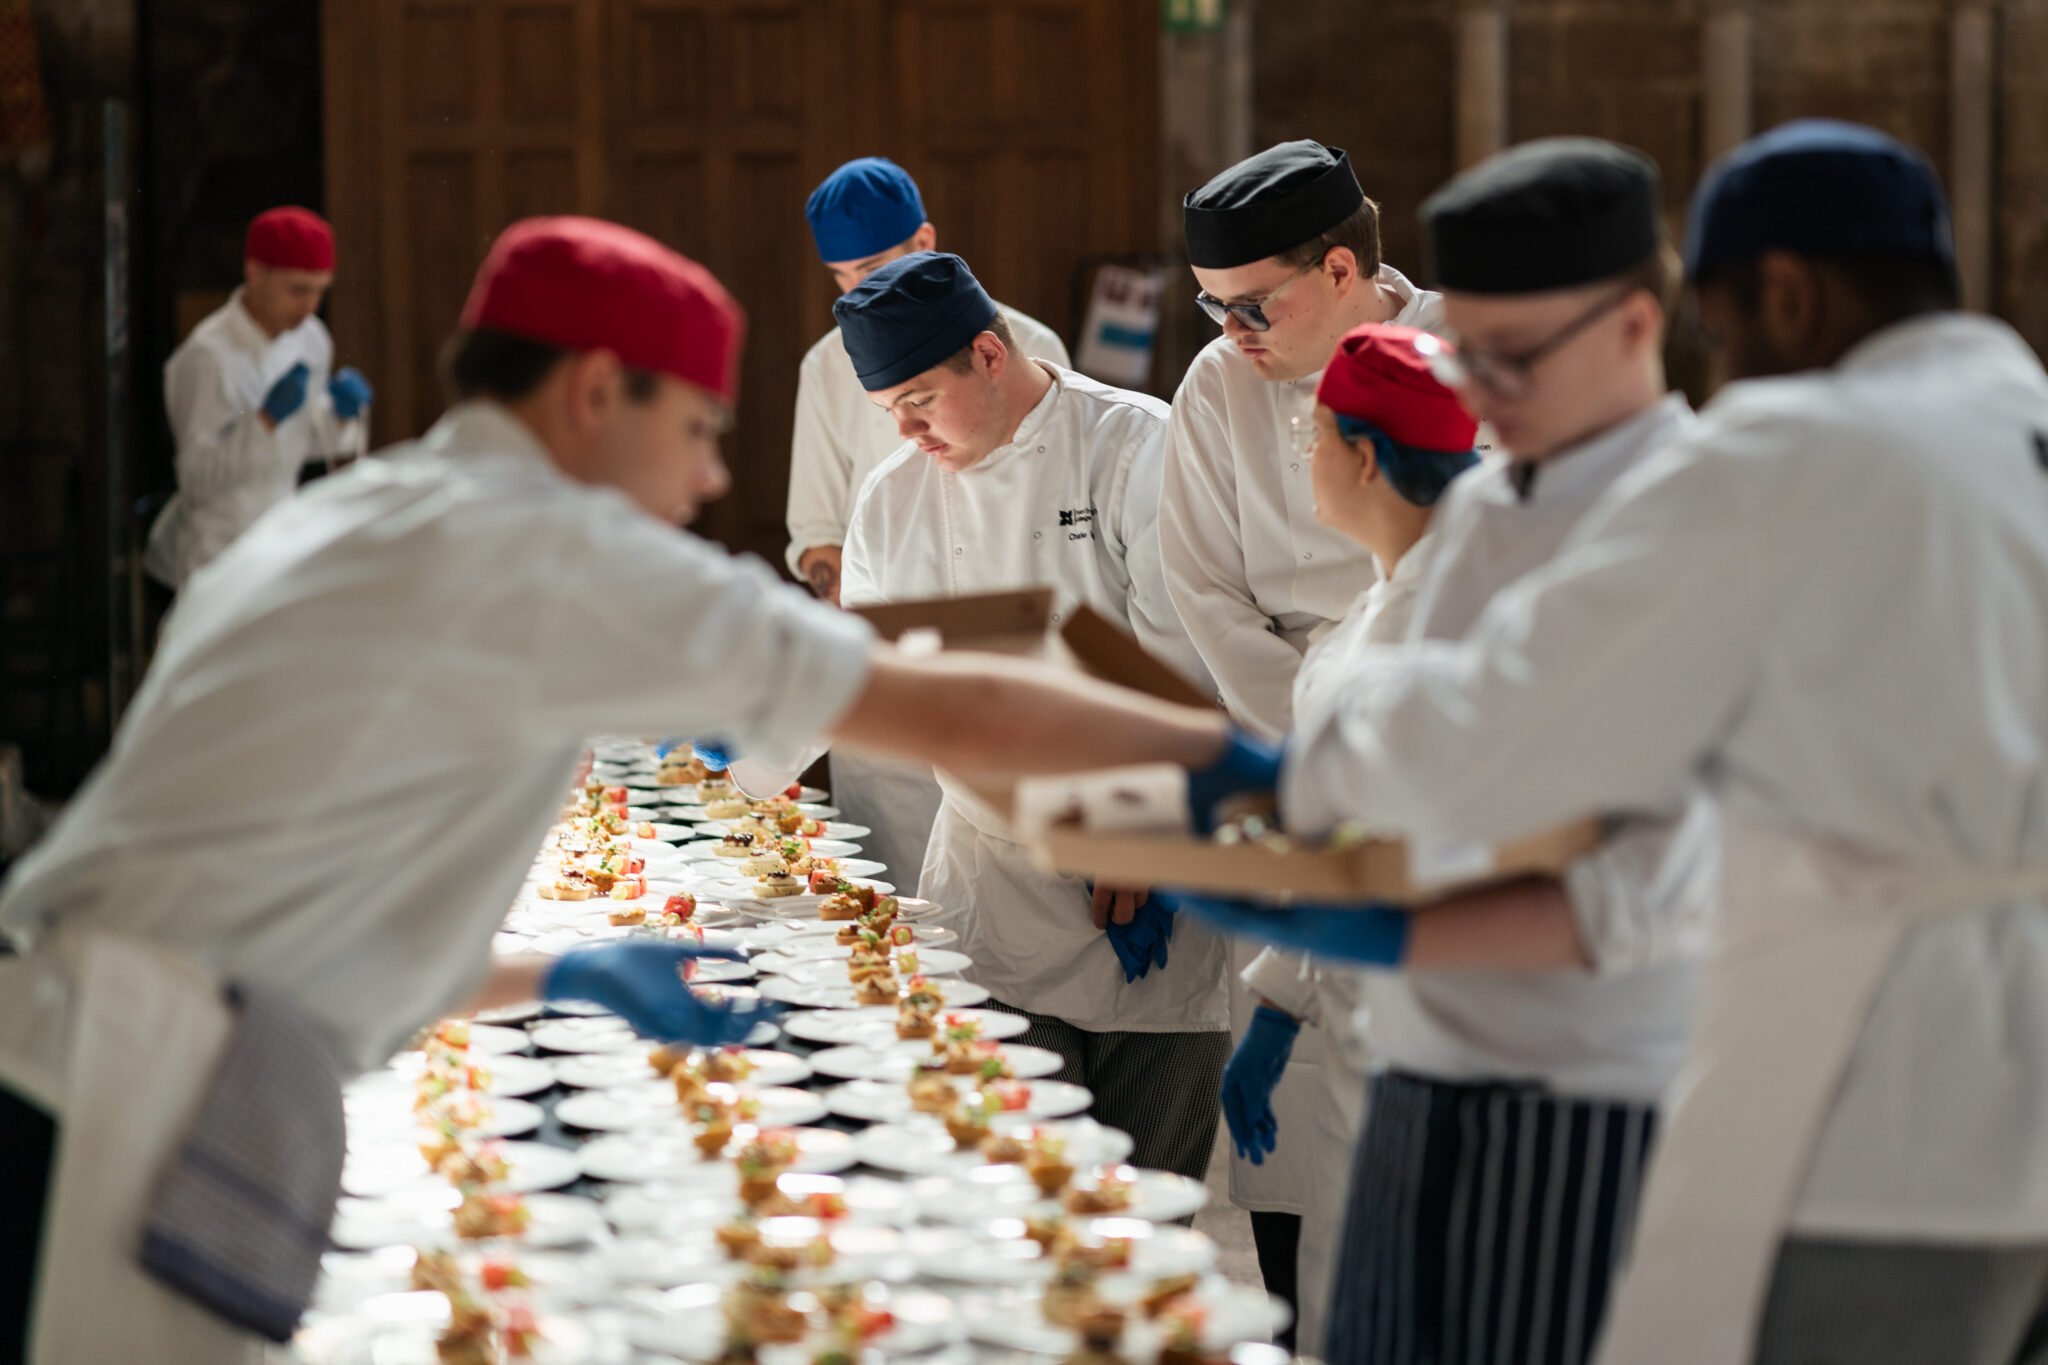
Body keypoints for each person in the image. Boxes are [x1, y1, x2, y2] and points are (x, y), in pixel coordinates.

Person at [0, 216, 1248, 1364]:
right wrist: (1238, 767)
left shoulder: (359, 507)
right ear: (597, 392)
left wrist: (554, 974)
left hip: (54, 1035)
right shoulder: (551, 540)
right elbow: (939, 697)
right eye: (700, 430)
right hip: (130, 1101)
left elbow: (309, 889)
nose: (708, 481)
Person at [1244, 120, 2048, 1365]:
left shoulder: (1786, 450)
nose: (1721, 371)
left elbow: (1495, 731)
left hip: (1869, 1094)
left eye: (1723, 333)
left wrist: (1306, 750)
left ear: (1783, 293)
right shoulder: (2006, 411)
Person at [1169, 139, 1719, 1365]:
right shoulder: (1499, 506)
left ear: (1630, 327)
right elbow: (1368, 718)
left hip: (1572, 1080)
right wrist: (1297, 826)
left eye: (1507, 359)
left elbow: (1631, 873)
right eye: (1466, 355)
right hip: (1412, 1045)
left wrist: (1349, 888)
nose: (1479, 396)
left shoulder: (1687, 520)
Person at [837, 251, 1231, 1179]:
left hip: (1155, 870)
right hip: (995, 889)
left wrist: (1132, 826)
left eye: (921, 400)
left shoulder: (1137, 444)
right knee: (1016, 1188)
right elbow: (870, 686)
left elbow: (1186, 658)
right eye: (887, 409)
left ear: (987, 353)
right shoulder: (893, 501)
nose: (906, 429)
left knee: (1148, 1200)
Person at [1160, 139, 1452, 1305]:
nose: (1229, 335)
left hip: (1427, 760)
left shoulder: (1463, 357)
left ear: (1339, 269)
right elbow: (1202, 593)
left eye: (1249, 307)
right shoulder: (1213, 387)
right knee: (1292, 1171)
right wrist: (1322, 720)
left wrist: (1364, 710)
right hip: (1291, 743)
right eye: (1208, 308)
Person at [1225, 320, 1479, 1353]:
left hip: (1423, 1041)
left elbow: (1369, 855)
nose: (1303, 458)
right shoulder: (1381, 606)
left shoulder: (1434, 631)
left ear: (1366, 459)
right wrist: (1282, 1002)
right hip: (1357, 1021)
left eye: (1317, 437)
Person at [786, 156, 1069, 897]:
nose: (857, 291)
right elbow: (819, 528)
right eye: (840, 277)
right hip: (888, 694)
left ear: (925, 241)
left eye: (872, 266)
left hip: (1011, 688)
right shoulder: (829, 370)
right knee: (895, 927)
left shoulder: (1026, 346)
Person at [145, 206, 374, 589]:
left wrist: (340, 419)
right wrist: (264, 420)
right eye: (299, 290)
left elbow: (303, 448)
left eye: (319, 291)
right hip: (216, 550)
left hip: (279, 537)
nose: (310, 307)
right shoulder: (208, 355)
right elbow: (195, 478)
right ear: (254, 273)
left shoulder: (311, 340)